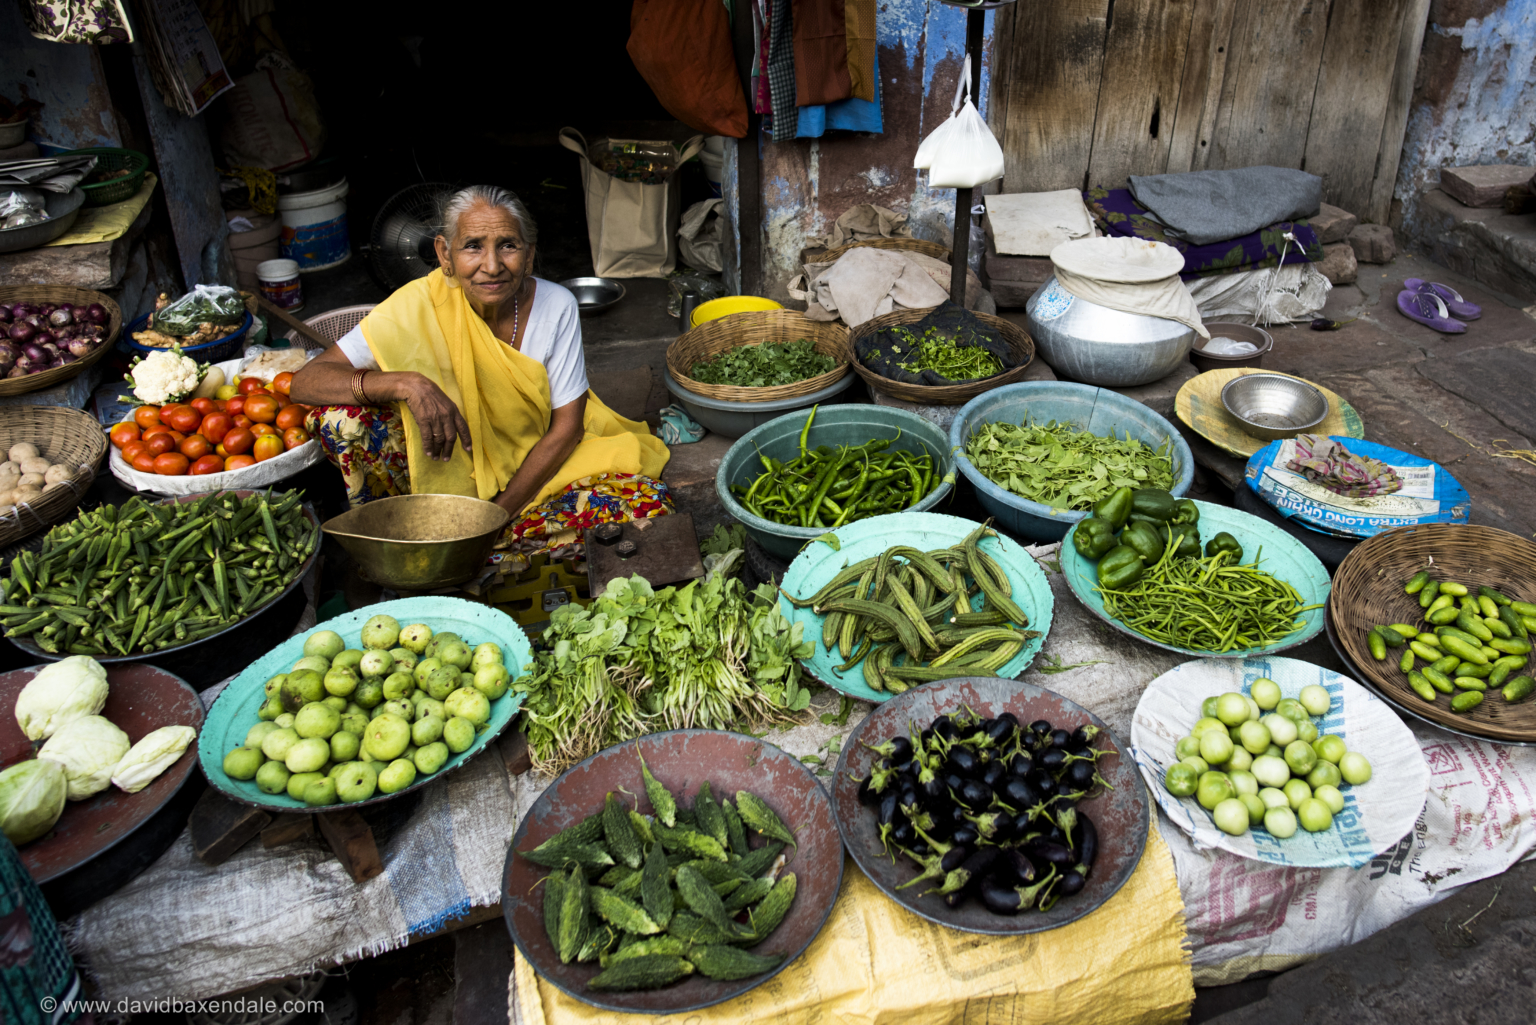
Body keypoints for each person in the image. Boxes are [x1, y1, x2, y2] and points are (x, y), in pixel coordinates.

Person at [289, 184, 672, 556]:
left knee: (645, 504)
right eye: (472, 246)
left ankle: (469, 547)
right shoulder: (415, 305)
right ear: (444, 254)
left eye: (508, 245)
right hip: (440, 468)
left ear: (529, 254)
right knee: (341, 419)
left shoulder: (557, 305)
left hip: (537, 466)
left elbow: (566, 428)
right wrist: (406, 383)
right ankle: (402, 536)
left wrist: (494, 519)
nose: (492, 266)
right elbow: (306, 383)